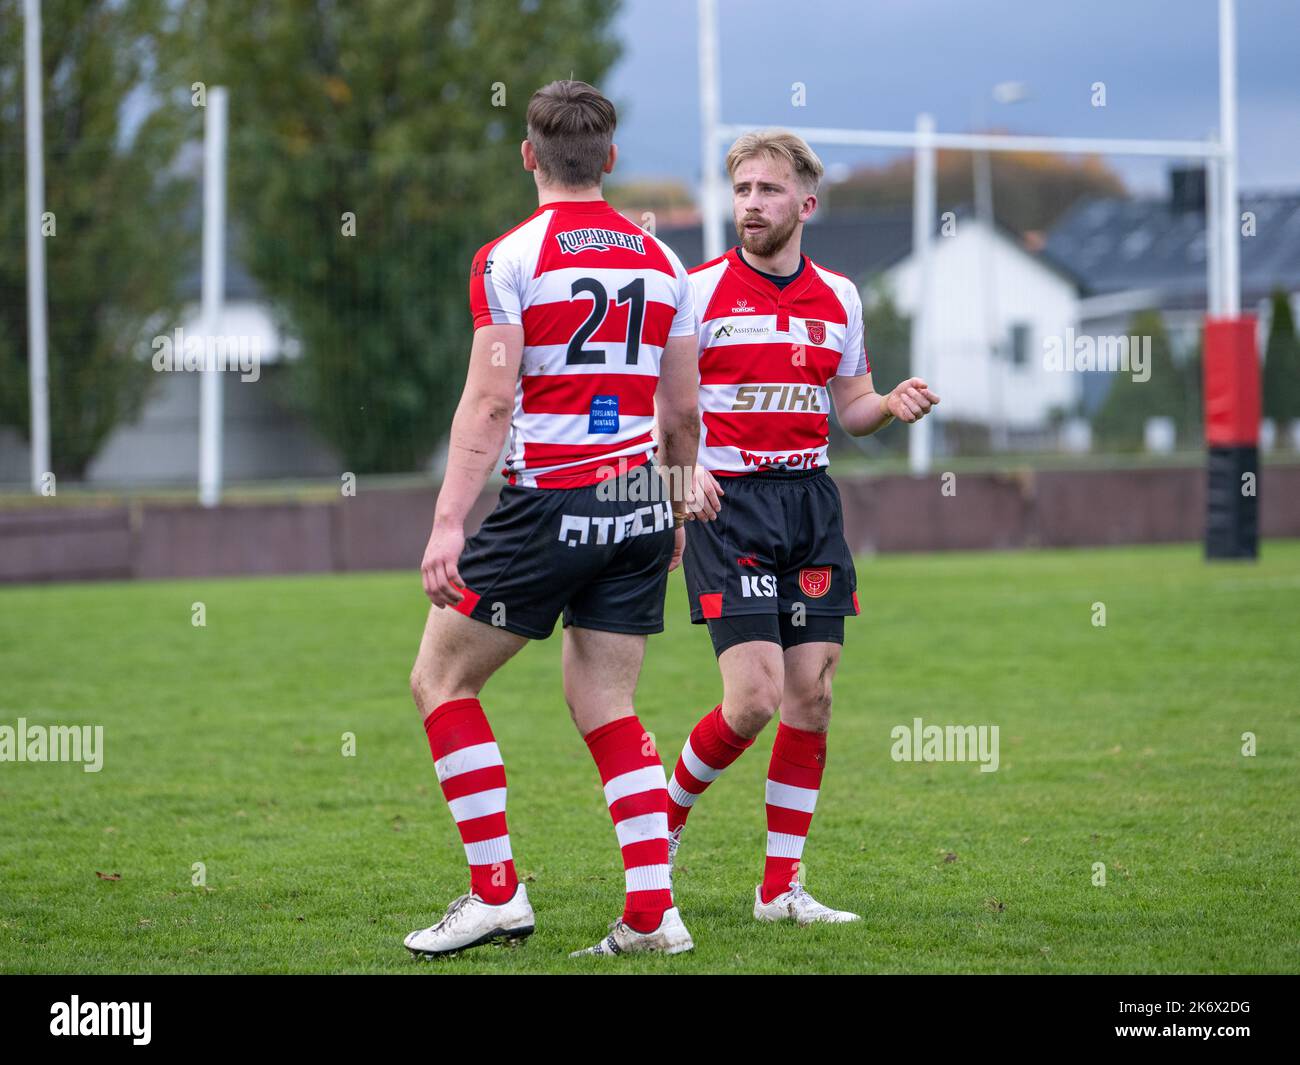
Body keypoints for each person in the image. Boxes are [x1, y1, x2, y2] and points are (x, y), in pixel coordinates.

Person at [403, 80, 703, 958]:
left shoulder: (509, 257)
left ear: (530, 156)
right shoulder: (664, 262)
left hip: (552, 500)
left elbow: (492, 400)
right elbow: (682, 414)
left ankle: (496, 893)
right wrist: (678, 501)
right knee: (608, 700)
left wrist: (450, 520)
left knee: (441, 680)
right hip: (638, 496)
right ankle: (651, 915)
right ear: (608, 159)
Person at [666, 129, 940, 925]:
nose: (751, 204)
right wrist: (687, 470)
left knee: (811, 696)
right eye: (742, 190)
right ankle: (665, 815)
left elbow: (850, 407)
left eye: (768, 191)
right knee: (753, 698)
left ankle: (779, 889)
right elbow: (662, 402)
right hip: (729, 506)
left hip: (810, 503)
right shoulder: (699, 291)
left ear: (805, 204)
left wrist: (888, 405)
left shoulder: (842, 298)